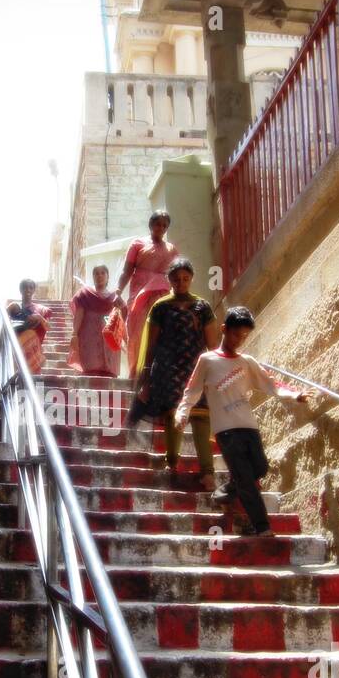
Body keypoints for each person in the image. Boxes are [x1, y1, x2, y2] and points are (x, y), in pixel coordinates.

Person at [174, 306, 308, 536]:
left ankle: (224, 492)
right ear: (224, 329)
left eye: (244, 336)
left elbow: (270, 383)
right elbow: (192, 390)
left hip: (248, 425)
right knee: (246, 477)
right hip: (226, 430)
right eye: (236, 334)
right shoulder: (207, 360)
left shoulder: (247, 361)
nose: (239, 340)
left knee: (260, 467)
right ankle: (262, 526)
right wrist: (182, 412)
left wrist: (295, 395)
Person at [126, 258, 218, 491]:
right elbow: (153, 343)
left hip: (196, 368)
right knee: (172, 416)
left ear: (192, 279)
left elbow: (212, 343)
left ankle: (208, 473)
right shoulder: (161, 307)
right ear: (169, 281)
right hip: (167, 369)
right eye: (176, 279)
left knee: (200, 417)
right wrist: (147, 372)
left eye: (185, 278)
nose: (181, 283)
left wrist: (216, 369)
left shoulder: (203, 307)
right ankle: (172, 464)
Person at [114, 210, 179, 376]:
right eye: (158, 224)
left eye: (165, 225)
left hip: (162, 294)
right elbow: (127, 271)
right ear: (151, 225)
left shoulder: (171, 249)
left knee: (160, 331)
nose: (161, 228)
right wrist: (118, 291)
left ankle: (157, 372)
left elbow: (178, 274)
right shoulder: (138, 244)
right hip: (139, 294)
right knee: (137, 332)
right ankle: (135, 372)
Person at [68, 265, 126, 377]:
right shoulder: (84, 294)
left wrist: (124, 338)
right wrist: (74, 334)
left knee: (109, 373)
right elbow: (79, 315)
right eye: (96, 273)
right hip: (89, 337)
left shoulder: (115, 297)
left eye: (103, 273)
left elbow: (123, 316)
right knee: (90, 370)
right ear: (93, 277)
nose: (99, 275)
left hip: (109, 338)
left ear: (108, 277)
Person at [6, 279, 52, 374]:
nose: (28, 290)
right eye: (25, 287)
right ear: (20, 290)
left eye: (31, 287)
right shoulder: (14, 306)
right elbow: (2, 323)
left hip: (33, 348)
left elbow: (48, 327)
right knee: (16, 376)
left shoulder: (40, 309)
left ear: (34, 290)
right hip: (17, 345)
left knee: (34, 379)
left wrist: (39, 318)